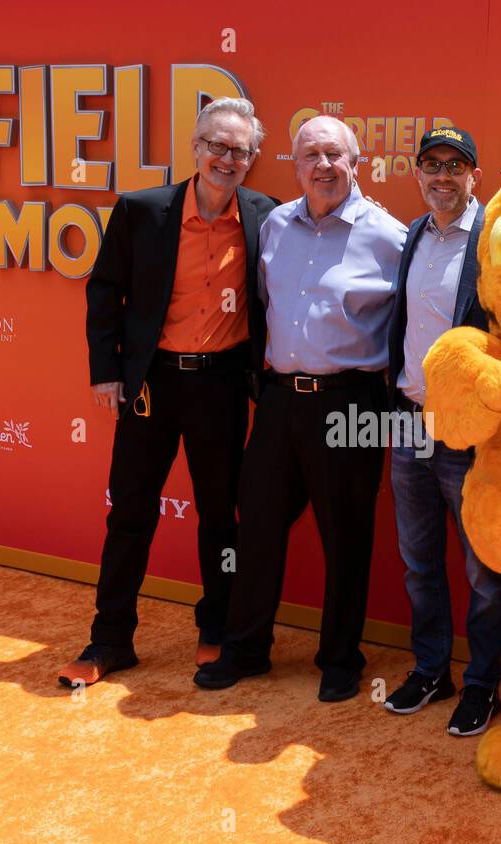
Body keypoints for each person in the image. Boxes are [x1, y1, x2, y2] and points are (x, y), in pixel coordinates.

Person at [59, 97, 279, 688]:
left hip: (223, 385)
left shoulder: (267, 216)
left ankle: (218, 628)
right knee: (130, 512)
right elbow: (104, 291)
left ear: (254, 158)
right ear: (196, 147)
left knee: (220, 519)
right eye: (217, 146)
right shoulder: (142, 210)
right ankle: (110, 639)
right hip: (151, 384)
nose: (227, 159)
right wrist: (107, 370)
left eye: (240, 150)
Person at [194, 115, 407, 702]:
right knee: (255, 526)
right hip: (281, 400)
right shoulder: (274, 226)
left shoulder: (390, 236)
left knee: (347, 536)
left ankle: (340, 657)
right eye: (311, 155)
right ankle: (245, 648)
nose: (323, 166)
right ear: (293, 164)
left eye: (335, 155)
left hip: (354, 403)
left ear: (356, 163)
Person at [382, 127, 501, 735]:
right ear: (418, 174)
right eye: (431, 165)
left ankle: (483, 686)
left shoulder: (493, 242)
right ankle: (432, 669)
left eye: (454, 166)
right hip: (407, 425)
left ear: (473, 176)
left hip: (467, 435)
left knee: (483, 573)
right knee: (418, 562)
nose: (442, 176)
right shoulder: (413, 234)